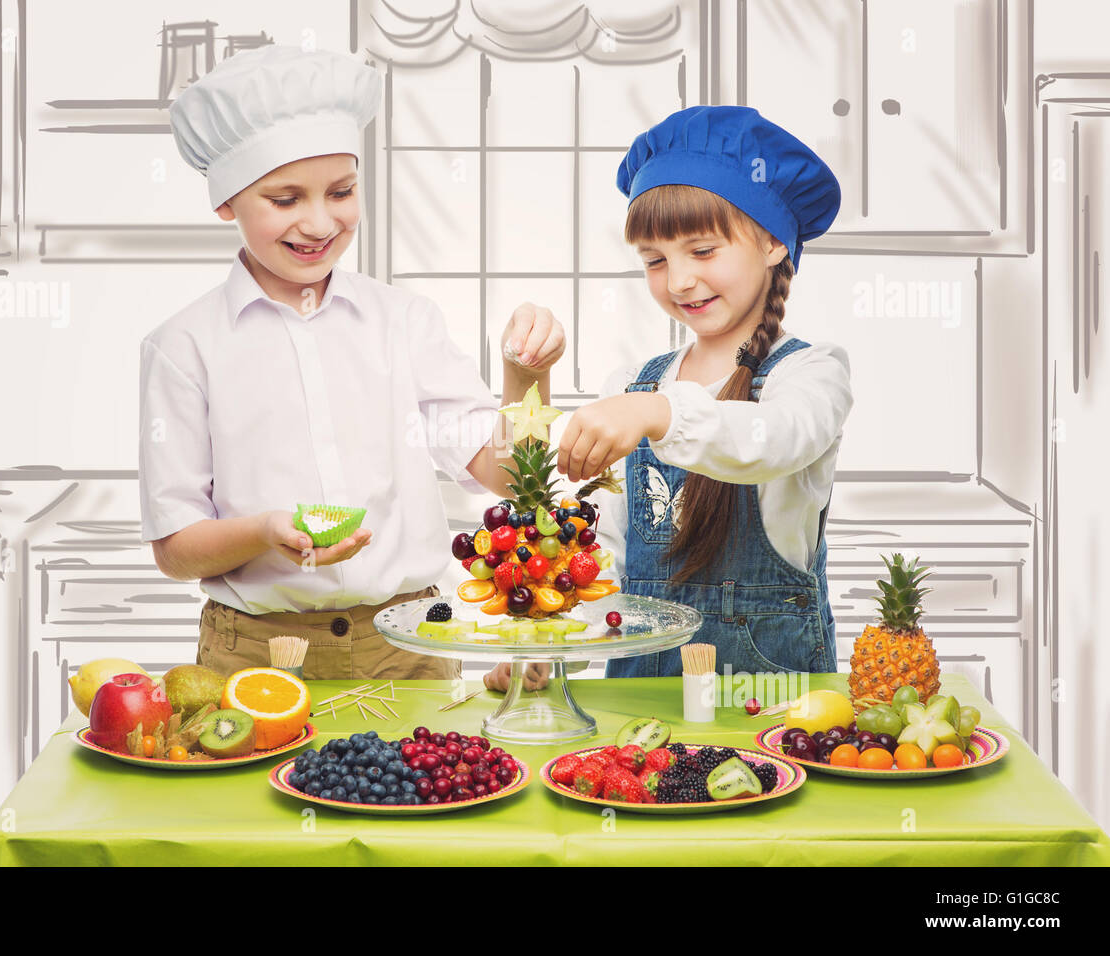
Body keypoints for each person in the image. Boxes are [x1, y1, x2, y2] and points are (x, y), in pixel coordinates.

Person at [140, 45, 564, 681]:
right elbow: (176, 550)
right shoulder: (184, 345)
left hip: (410, 645)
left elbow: (507, 477)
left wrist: (527, 376)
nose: (318, 221)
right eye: (284, 199)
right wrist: (264, 532)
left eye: (341, 191)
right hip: (253, 652)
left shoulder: (404, 322)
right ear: (227, 201)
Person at [553, 104, 852, 679]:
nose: (680, 280)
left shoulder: (810, 374)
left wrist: (658, 414)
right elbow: (610, 564)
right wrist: (555, 650)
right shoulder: (634, 386)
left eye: (703, 250)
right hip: (637, 710)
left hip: (764, 711)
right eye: (655, 260)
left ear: (771, 242)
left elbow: (773, 442)